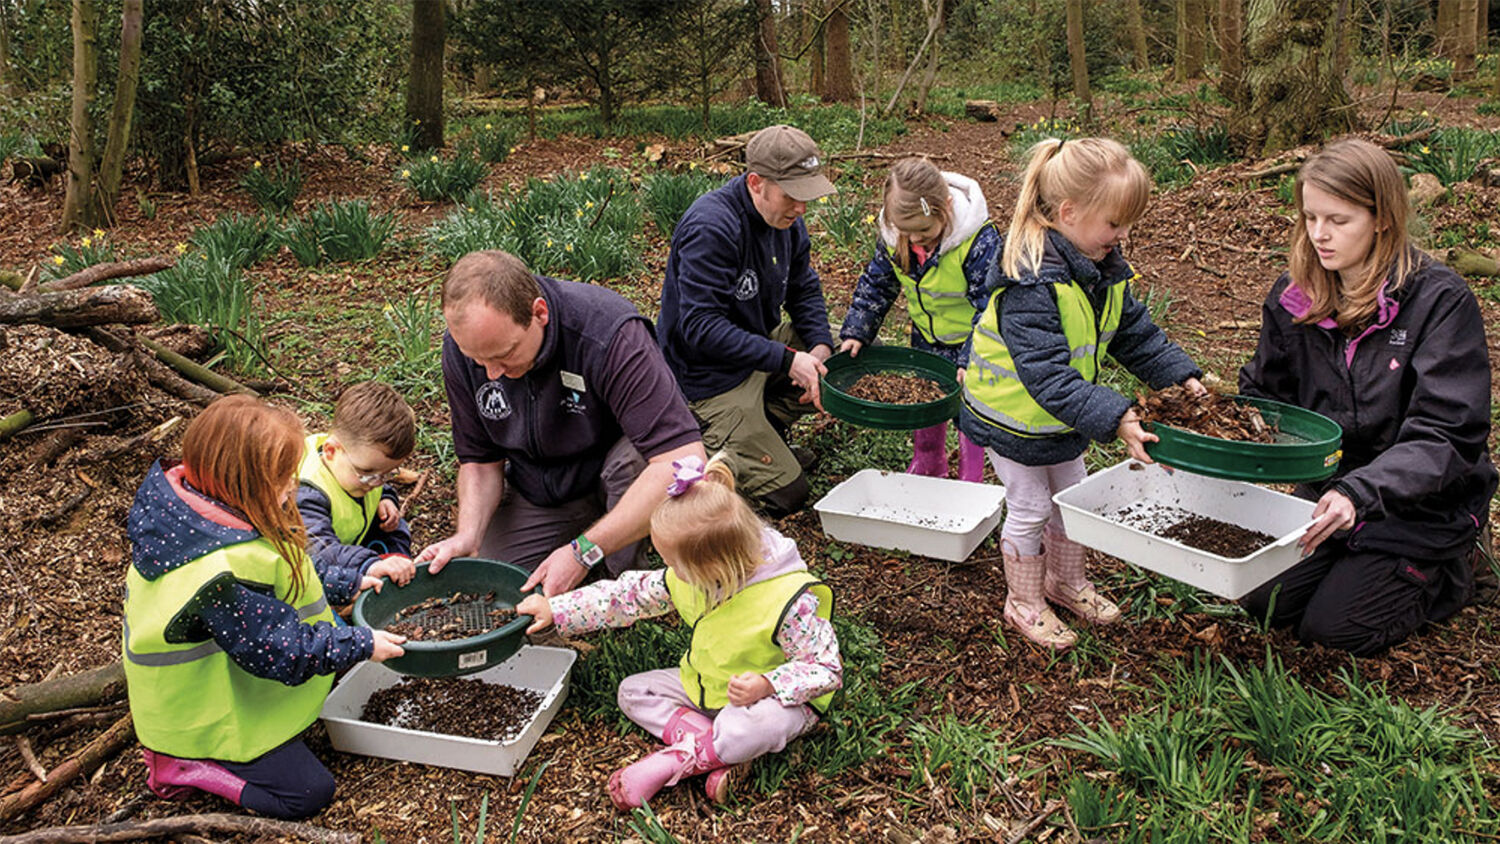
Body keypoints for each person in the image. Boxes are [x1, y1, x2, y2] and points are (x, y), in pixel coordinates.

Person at [1239, 138, 1497, 656]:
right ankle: (1350, 560)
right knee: (1260, 601)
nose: (1319, 235)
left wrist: (1363, 493)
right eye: (1310, 217)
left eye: (1338, 220)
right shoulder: (1295, 295)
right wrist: (1217, 434)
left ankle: (1461, 565)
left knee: (1333, 632)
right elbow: (1264, 396)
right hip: (1329, 496)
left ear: (1381, 218)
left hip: (1423, 503)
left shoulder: (1439, 302)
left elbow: (1449, 433)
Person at [959, 137, 1206, 651]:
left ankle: (1064, 582)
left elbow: (1136, 335)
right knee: (1029, 507)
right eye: (1114, 223)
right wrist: (1117, 416)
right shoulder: (1030, 284)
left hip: (1062, 420)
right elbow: (1047, 376)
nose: (1123, 234)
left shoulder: (1101, 271)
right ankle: (1023, 601)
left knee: (1071, 501)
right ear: (1069, 212)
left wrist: (1178, 376)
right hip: (1014, 421)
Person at [122, 395, 406, 819]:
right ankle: (188, 767)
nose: (294, 485)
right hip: (202, 721)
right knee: (307, 793)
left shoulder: (219, 516)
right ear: (244, 482)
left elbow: (288, 574)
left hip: (235, 678)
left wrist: (351, 580)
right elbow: (280, 650)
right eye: (283, 478)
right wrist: (361, 644)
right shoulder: (217, 572)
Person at [517, 454, 841, 809]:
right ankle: (714, 752)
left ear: (713, 567)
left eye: (673, 563)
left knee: (748, 728)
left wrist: (767, 684)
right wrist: (556, 609)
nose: (667, 570)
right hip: (709, 687)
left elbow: (825, 668)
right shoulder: (702, 577)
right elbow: (626, 596)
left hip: (773, 702)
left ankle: (675, 762)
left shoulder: (789, 600)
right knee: (634, 692)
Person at [416, 250, 705, 596]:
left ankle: (621, 580)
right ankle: (579, 540)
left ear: (540, 313)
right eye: (478, 360)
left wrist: (583, 552)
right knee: (498, 586)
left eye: (504, 355)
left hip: (615, 473)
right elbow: (479, 460)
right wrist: (468, 535)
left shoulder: (609, 333)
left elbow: (683, 460)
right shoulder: (469, 348)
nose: (491, 373)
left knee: (635, 462)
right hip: (542, 487)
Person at [656, 124, 838, 516]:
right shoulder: (712, 227)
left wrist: (819, 350)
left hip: (755, 348)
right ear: (756, 182)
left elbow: (803, 289)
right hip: (709, 379)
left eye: (807, 196)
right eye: (793, 196)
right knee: (789, 493)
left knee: (844, 356)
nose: (802, 208)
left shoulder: (786, 221)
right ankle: (702, 438)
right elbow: (700, 328)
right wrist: (789, 360)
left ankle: (763, 426)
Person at [838, 157, 1001, 483]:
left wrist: (972, 358)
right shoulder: (895, 238)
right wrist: (858, 330)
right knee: (926, 396)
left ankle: (971, 478)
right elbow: (877, 284)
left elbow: (991, 306)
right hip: (926, 337)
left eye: (923, 231)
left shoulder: (977, 242)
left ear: (947, 208)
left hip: (973, 340)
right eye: (905, 232)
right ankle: (928, 462)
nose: (914, 241)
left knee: (970, 409)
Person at [297, 381, 418, 600]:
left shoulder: (357, 470)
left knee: (394, 524)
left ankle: (395, 561)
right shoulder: (308, 494)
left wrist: (387, 498)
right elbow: (321, 551)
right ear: (331, 450)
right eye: (367, 473)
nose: (376, 483)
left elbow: (379, 484)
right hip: (314, 568)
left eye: (387, 474)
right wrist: (370, 564)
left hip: (351, 540)